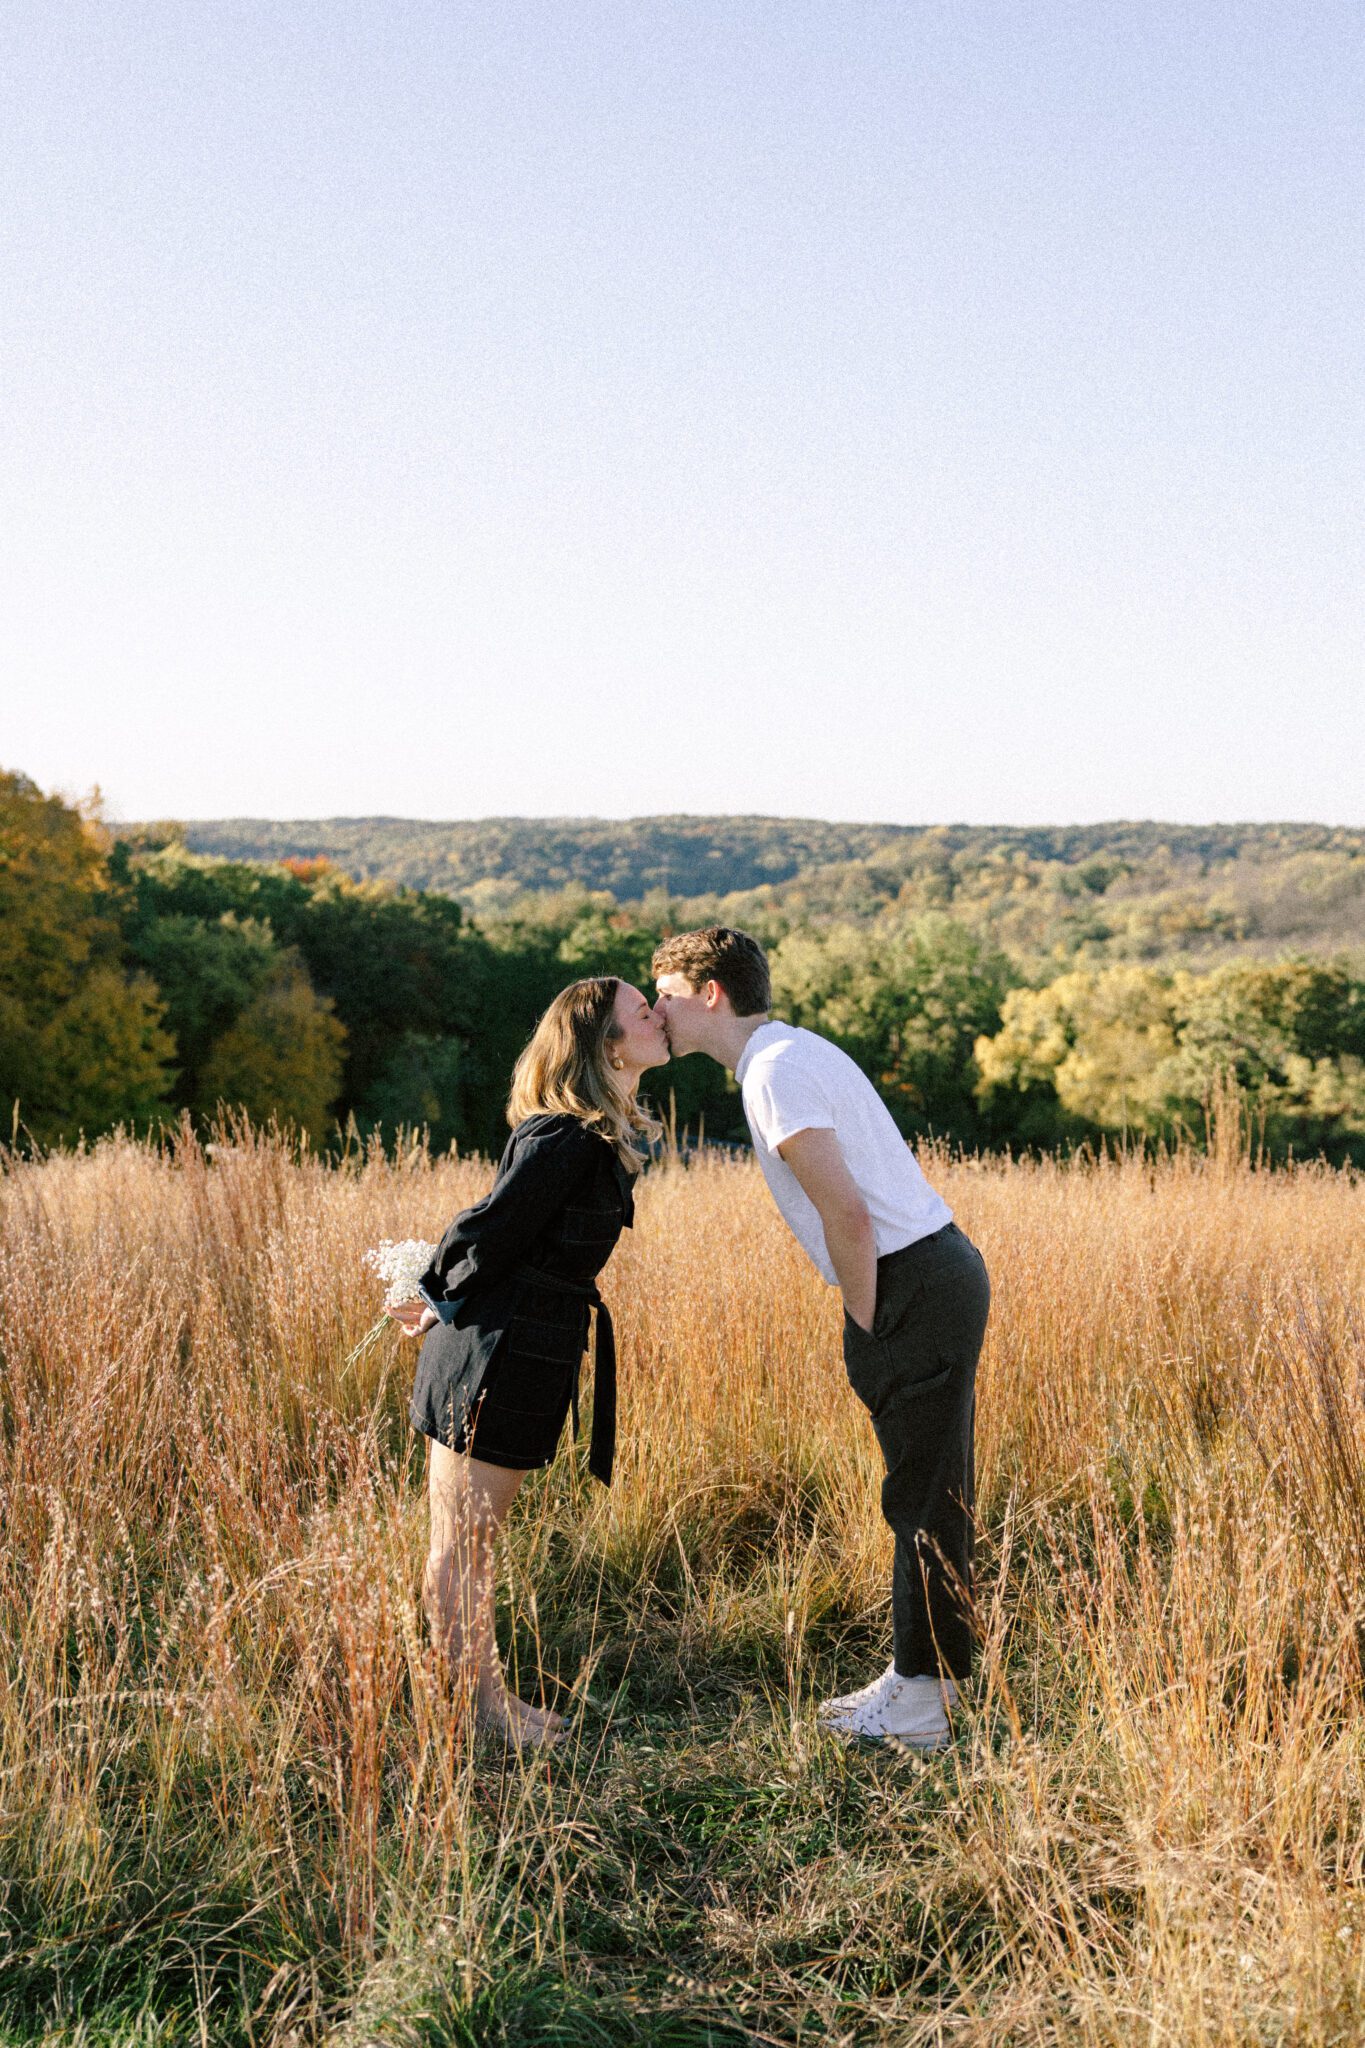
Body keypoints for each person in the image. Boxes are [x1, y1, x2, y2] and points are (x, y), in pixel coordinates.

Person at [652, 926, 990, 1750]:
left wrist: (866, 1317)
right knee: (929, 1489)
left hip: (907, 1279)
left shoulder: (772, 1072)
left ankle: (923, 1705)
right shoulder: (788, 1052)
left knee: (921, 1499)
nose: (654, 1011)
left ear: (708, 994)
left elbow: (846, 1210)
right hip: (926, 1270)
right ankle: (922, 1677)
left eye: (660, 993)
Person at [389, 977, 667, 1748]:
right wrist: (431, 1294)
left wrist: (438, 1293)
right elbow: (488, 1225)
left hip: (525, 1343)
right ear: (605, 1043)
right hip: (493, 1351)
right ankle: (477, 1713)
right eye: (642, 1012)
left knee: (475, 1539)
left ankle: (488, 1701)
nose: (658, 1018)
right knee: (462, 1541)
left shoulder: (594, 1132)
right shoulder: (565, 1135)